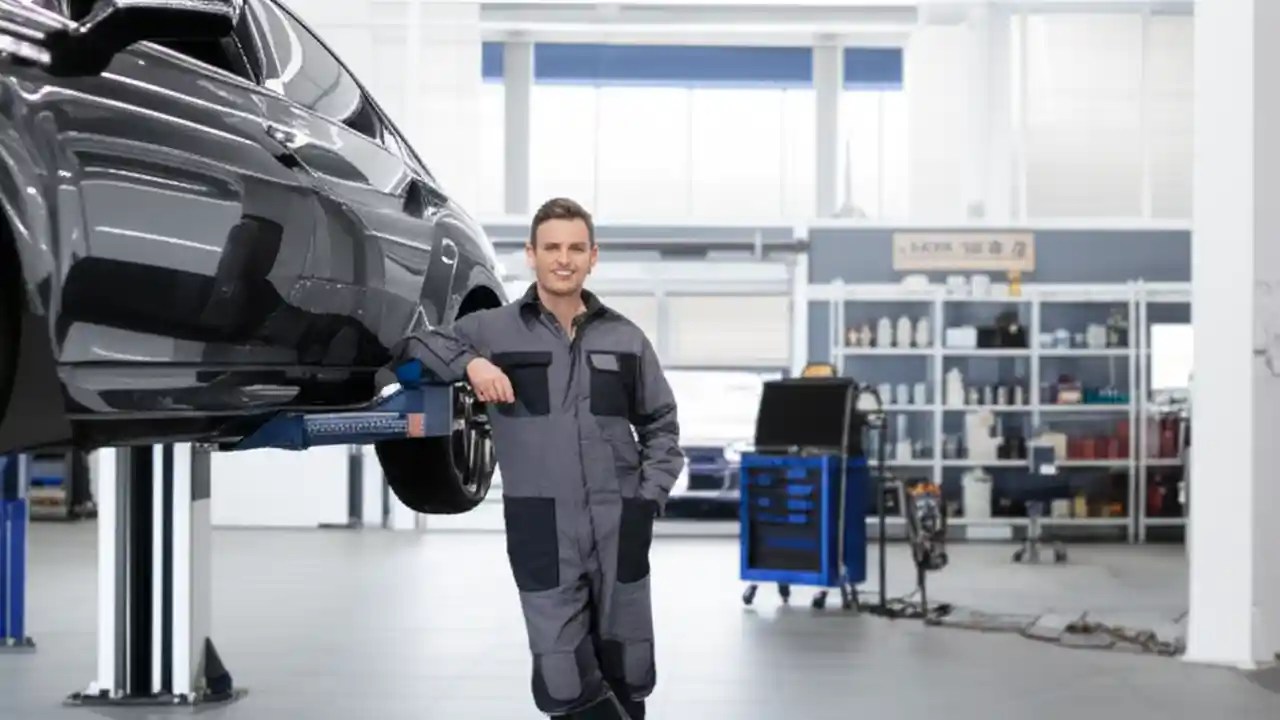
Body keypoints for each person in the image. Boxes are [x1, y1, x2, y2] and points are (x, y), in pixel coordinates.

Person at [391, 197, 684, 719]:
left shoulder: (626, 339)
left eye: (576, 248)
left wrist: (647, 500)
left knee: (627, 665)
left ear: (593, 256)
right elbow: (412, 349)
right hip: (542, 524)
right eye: (551, 248)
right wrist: (473, 363)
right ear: (531, 254)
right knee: (563, 674)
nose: (563, 259)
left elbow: (661, 423)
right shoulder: (492, 330)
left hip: (620, 521)